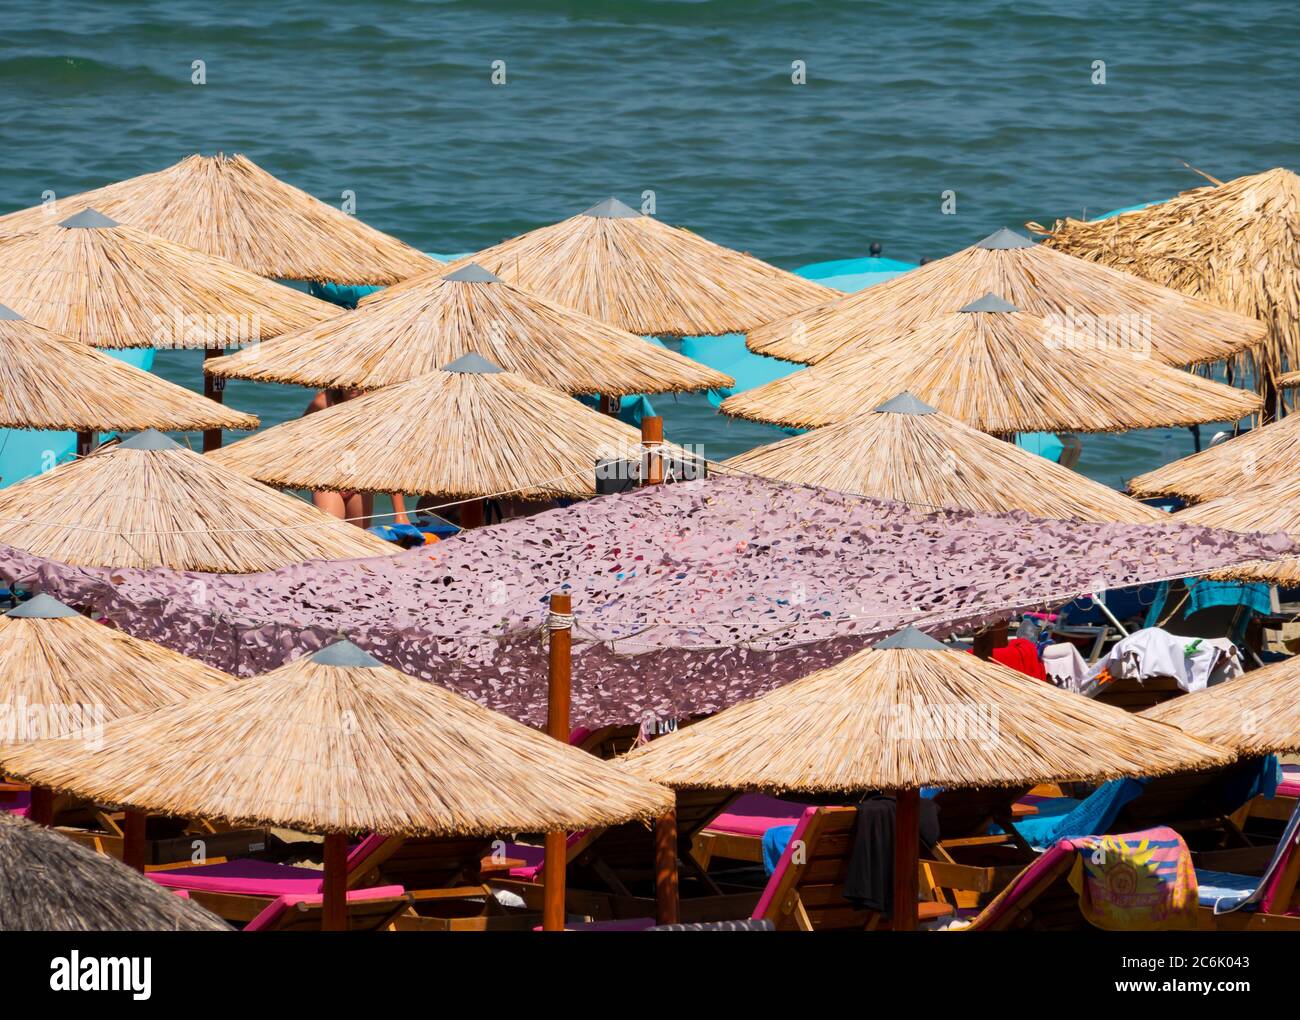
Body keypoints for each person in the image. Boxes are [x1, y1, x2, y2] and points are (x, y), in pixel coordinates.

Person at [304, 388, 374, 528]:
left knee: (359, 541)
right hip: (328, 481)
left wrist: (400, 514)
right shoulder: (323, 403)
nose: (354, 385)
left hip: (360, 481)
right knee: (331, 535)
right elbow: (297, 436)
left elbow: (390, 459)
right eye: (349, 380)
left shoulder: (375, 402)